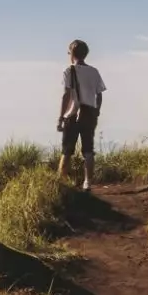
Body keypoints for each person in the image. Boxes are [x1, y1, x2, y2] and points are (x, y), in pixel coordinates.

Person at [57, 38, 105, 191]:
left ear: (72, 53)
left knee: (67, 151)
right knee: (88, 150)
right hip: (89, 113)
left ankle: (62, 183)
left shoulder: (69, 71)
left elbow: (66, 96)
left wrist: (61, 117)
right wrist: (96, 112)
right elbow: (99, 94)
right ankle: (87, 183)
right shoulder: (94, 71)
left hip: (72, 114)